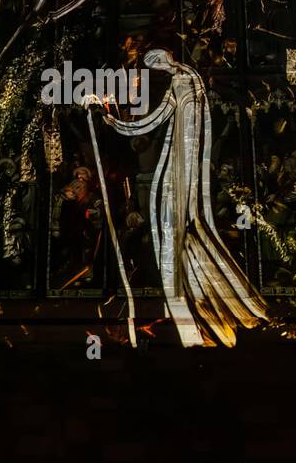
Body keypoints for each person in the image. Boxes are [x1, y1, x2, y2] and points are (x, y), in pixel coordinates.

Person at [95, 48, 267, 348]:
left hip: (186, 166)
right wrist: (115, 123)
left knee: (184, 231)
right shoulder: (185, 80)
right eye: (154, 66)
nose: (158, 68)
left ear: (167, 58)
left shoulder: (187, 79)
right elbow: (156, 119)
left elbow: (159, 120)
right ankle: (196, 324)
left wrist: (114, 122)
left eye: (156, 63)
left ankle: (200, 322)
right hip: (181, 163)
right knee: (177, 234)